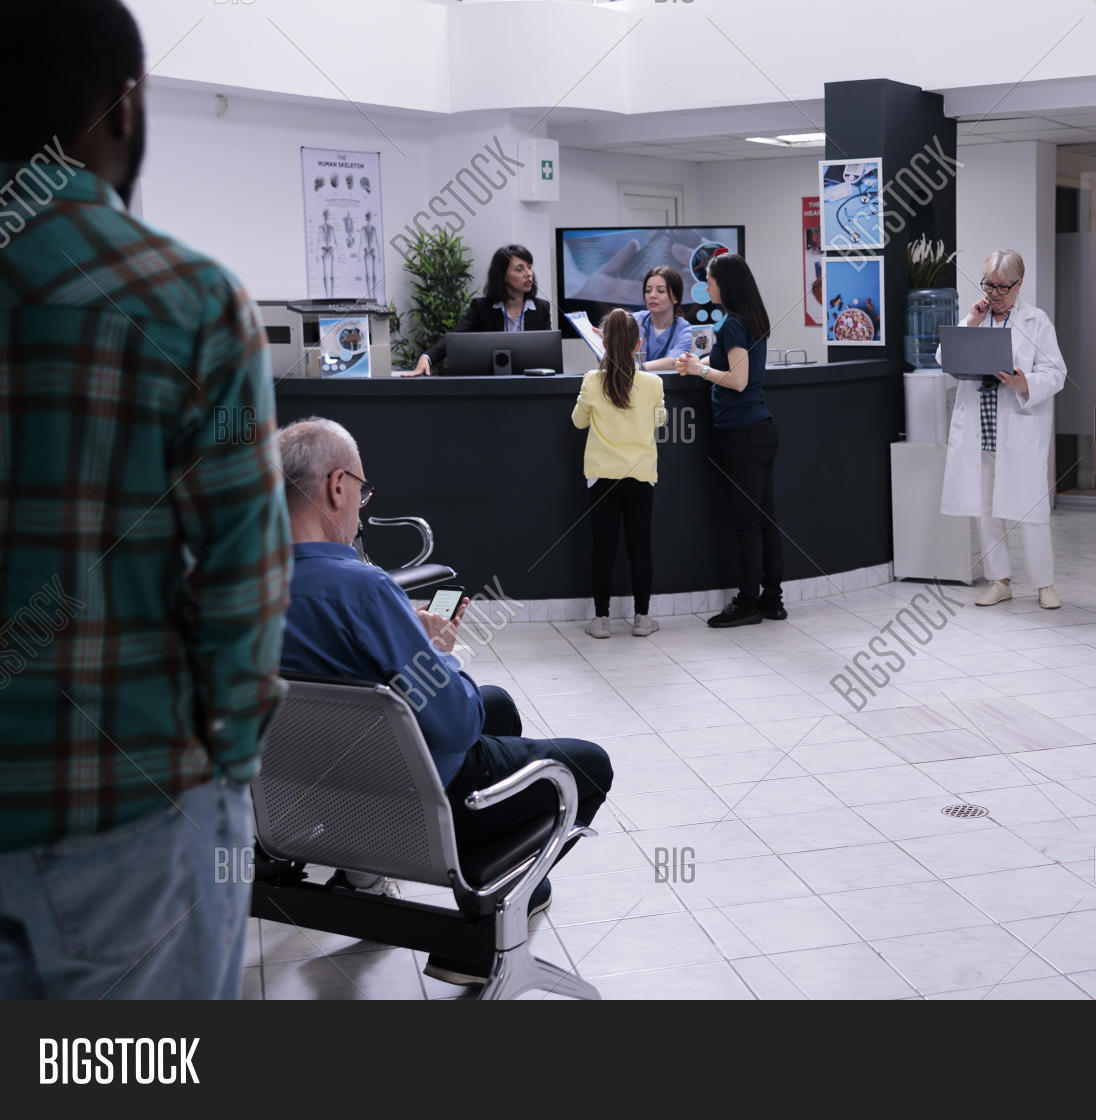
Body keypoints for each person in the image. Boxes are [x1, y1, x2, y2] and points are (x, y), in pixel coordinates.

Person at [0, 0, 292, 1000]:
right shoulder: (189, 300)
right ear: (121, 107)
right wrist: (228, 763)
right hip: (124, 813)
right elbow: (243, 580)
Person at [275, 418, 612, 985]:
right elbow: (455, 721)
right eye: (362, 489)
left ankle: (363, 876)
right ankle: (483, 921)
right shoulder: (363, 587)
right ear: (337, 486)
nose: (360, 503)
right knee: (589, 763)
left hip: (310, 804)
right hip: (408, 809)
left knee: (499, 702)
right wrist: (440, 654)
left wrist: (405, 635)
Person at [940, 249, 1067, 609]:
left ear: (1019, 285)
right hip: (980, 431)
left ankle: (1044, 584)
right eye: (988, 285)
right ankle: (1000, 580)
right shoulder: (977, 317)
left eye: (1001, 287)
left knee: (1031, 510)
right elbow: (943, 357)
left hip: (1019, 429)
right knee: (986, 509)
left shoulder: (1036, 321)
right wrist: (971, 321)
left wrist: (1025, 383)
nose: (993, 293)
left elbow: (1056, 373)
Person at [675, 254, 786, 627]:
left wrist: (700, 369)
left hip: (742, 434)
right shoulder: (749, 321)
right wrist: (706, 361)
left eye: (709, 279)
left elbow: (737, 380)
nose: (706, 286)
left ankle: (747, 602)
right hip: (759, 430)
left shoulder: (733, 325)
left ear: (726, 284)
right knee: (765, 518)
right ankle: (772, 598)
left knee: (747, 523)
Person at [572, 310, 667, 638]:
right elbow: (659, 422)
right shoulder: (654, 383)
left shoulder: (591, 380)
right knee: (641, 547)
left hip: (602, 476)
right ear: (639, 344)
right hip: (641, 476)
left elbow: (578, 422)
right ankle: (642, 619)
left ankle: (600, 620)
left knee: (604, 548)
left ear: (604, 341)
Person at [410, 244, 551, 375]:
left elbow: (548, 352)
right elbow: (455, 337)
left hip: (531, 384)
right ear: (503, 276)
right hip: (491, 385)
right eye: (519, 269)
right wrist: (426, 357)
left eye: (529, 267)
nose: (528, 273)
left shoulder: (541, 309)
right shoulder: (482, 308)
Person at [633, 266, 694, 370]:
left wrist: (634, 367)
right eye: (648, 291)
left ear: (675, 297)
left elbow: (674, 361)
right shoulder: (633, 320)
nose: (652, 295)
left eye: (660, 291)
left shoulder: (686, 331)